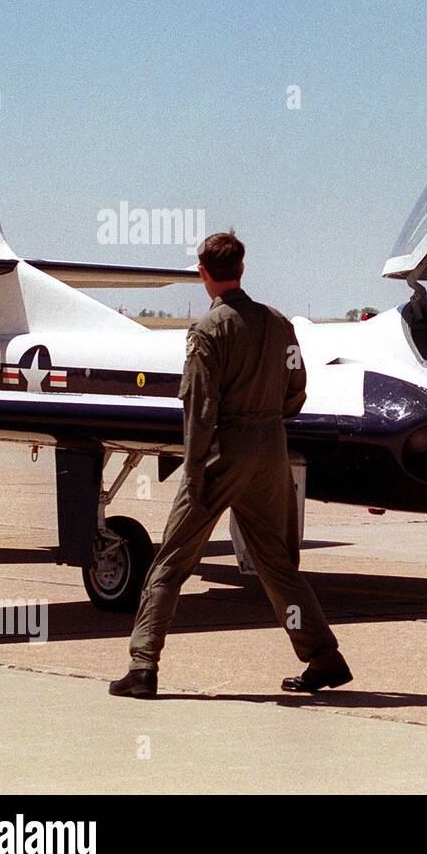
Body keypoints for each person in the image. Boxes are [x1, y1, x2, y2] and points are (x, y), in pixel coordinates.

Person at [109, 231, 351, 698]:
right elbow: (297, 390)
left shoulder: (207, 331)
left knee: (172, 560)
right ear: (241, 269)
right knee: (277, 564)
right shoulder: (279, 324)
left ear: (204, 274)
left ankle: (143, 666)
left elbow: (199, 408)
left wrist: (195, 472)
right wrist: (265, 419)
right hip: (271, 450)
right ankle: (323, 656)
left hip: (223, 451)